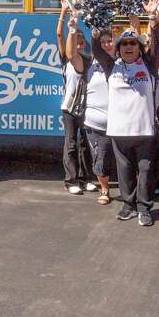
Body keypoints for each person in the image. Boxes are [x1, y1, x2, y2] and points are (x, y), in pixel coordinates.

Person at [88, 0, 159, 226]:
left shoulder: (149, 65)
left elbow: (156, 44)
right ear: (119, 48)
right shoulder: (112, 66)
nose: (129, 47)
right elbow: (96, 49)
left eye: (133, 43)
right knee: (123, 172)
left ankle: (145, 208)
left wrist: (152, 18)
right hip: (119, 131)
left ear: (139, 47)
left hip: (144, 131)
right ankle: (128, 205)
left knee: (145, 172)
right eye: (124, 44)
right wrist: (96, 21)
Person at [67, 17, 116, 205]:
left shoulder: (121, 62)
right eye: (102, 41)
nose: (106, 44)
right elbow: (71, 55)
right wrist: (72, 29)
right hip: (95, 123)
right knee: (100, 158)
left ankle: (131, 194)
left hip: (121, 123)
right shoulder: (88, 64)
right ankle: (104, 189)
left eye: (109, 40)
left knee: (125, 161)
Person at [56, 1, 90, 195]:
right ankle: (70, 181)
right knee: (71, 143)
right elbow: (60, 35)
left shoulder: (88, 59)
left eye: (81, 42)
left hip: (86, 108)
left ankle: (85, 178)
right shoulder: (66, 57)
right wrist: (63, 12)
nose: (78, 45)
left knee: (86, 143)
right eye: (76, 41)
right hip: (69, 108)